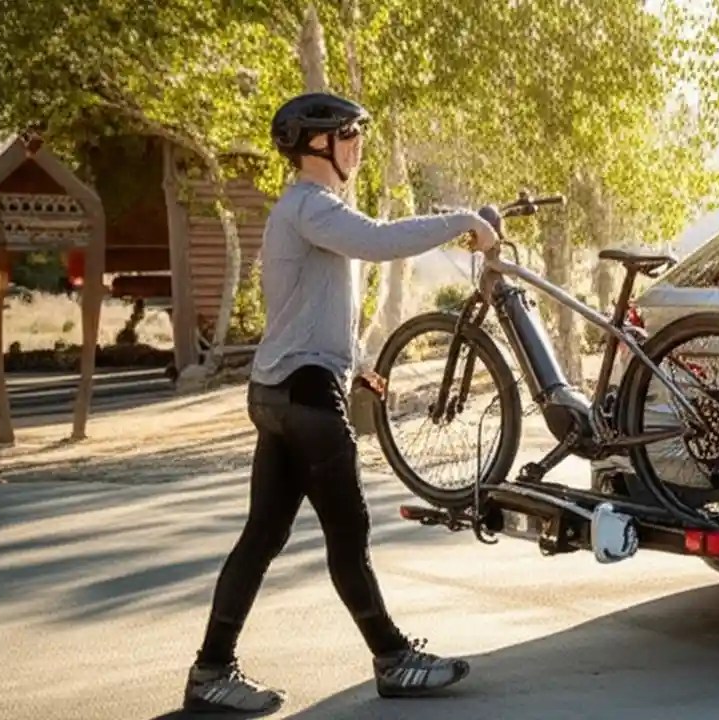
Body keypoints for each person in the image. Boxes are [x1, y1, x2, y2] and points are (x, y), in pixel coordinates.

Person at [182, 92, 499, 714]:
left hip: (280, 393)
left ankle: (210, 672)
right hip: (303, 397)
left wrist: (353, 369)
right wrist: (464, 220)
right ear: (317, 144)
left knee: (262, 536)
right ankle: (393, 658)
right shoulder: (311, 205)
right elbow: (378, 241)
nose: (358, 145)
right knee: (348, 535)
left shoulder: (303, 212)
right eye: (350, 135)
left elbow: (316, 305)